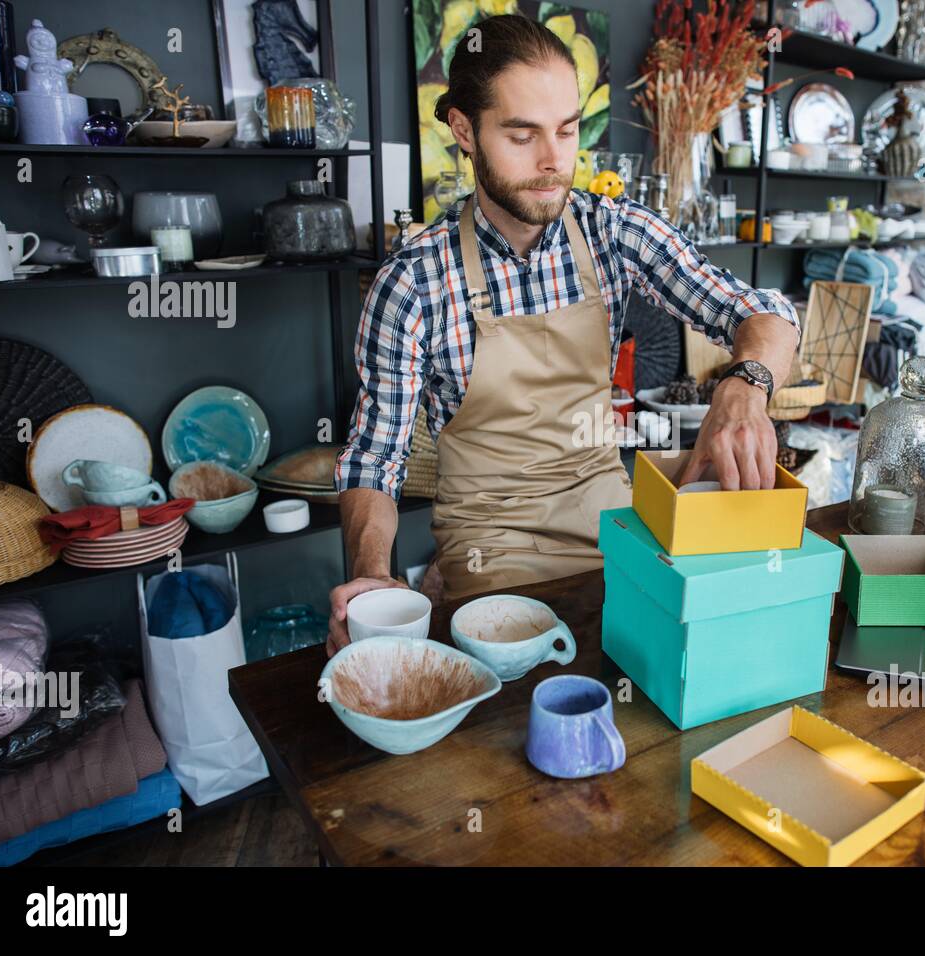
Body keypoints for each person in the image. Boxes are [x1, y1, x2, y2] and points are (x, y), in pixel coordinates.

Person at [327, 14, 799, 654]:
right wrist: (373, 577)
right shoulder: (413, 282)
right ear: (464, 130)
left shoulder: (612, 230)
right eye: (522, 136)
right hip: (490, 552)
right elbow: (373, 462)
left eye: (568, 130)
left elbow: (764, 313)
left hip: (613, 527)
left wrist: (747, 386)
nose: (554, 162)